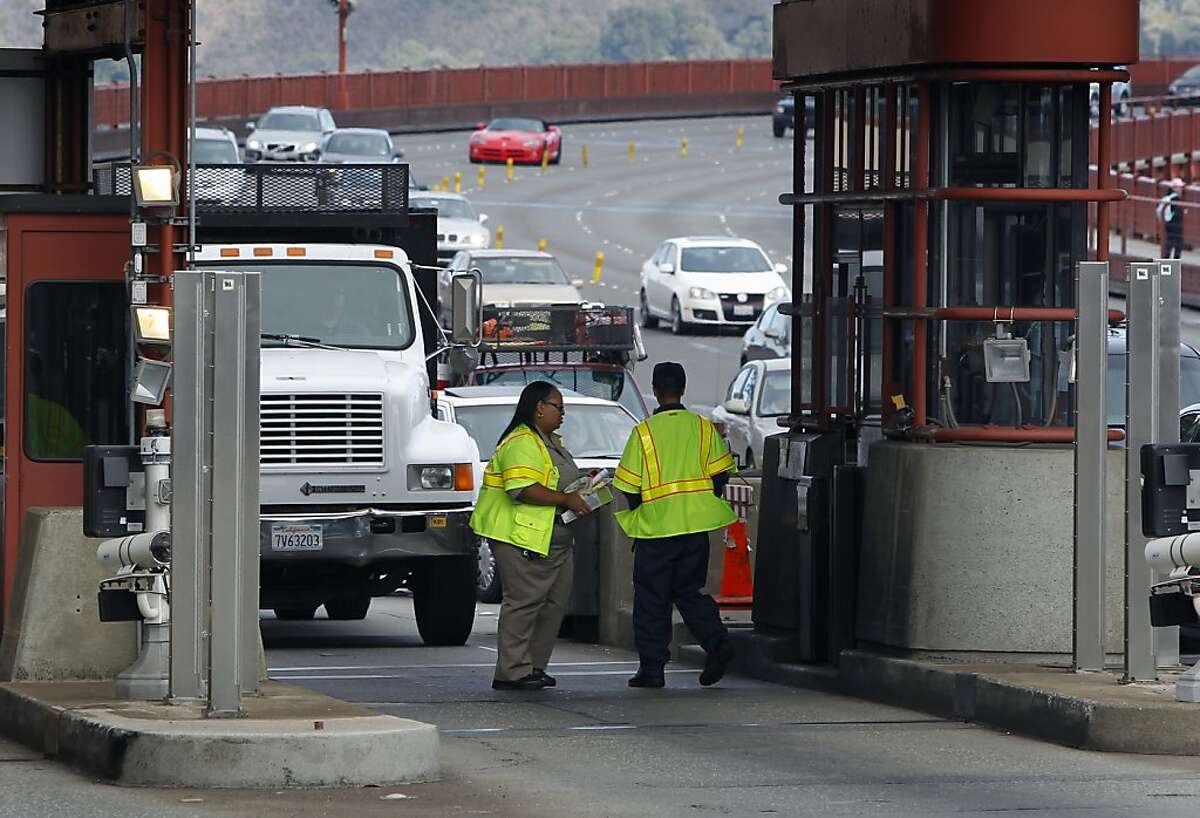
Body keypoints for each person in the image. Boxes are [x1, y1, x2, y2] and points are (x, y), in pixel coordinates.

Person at [612, 362, 738, 689]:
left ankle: (652, 669)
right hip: (695, 528)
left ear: (654, 390)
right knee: (689, 592)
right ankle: (717, 642)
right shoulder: (703, 428)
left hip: (656, 531)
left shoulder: (643, 433)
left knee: (652, 600)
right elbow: (721, 475)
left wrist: (646, 512)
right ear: (683, 389)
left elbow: (628, 486)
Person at [469, 381, 593, 690]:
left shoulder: (550, 442)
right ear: (539, 408)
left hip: (552, 538)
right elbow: (522, 488)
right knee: (524, 603)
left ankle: (533, 667)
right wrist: (565, 499)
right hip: (520, 538)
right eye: (558, 407)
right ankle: (512, 671)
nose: (562, 414)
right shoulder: (522, 441)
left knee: (552, 604)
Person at [1156, 177, 1187, 260]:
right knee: (1178, 243)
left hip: (1167, 223)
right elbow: (1178, 213)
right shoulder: (1176, 199)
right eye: (1179, 187)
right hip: (1174, 224)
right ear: (1174, 188)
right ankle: (1175, 260)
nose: (1181, 189)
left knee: (1168, 242)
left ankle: (1166, 258)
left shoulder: (1167, 197)